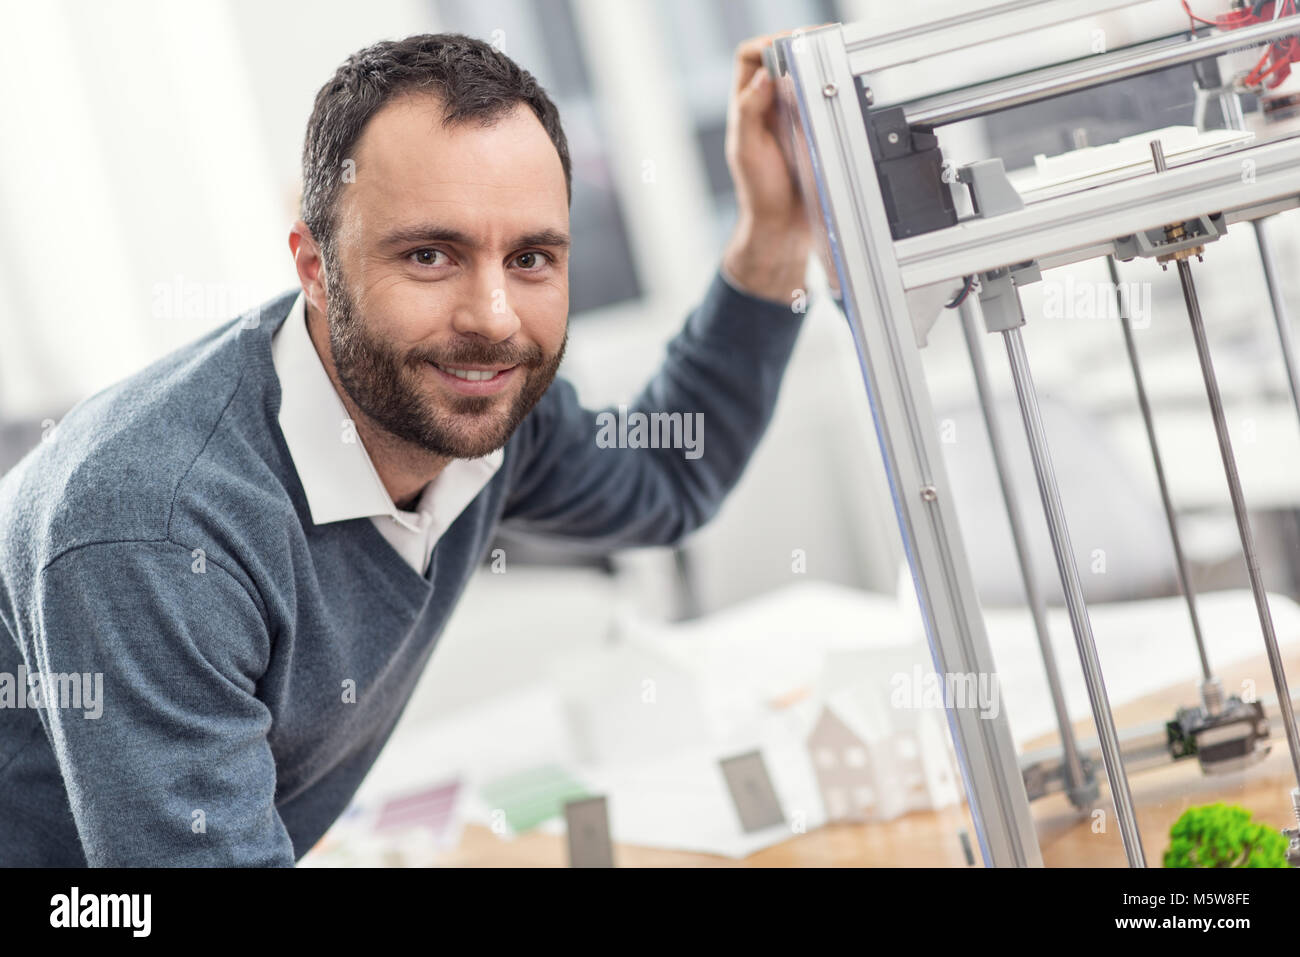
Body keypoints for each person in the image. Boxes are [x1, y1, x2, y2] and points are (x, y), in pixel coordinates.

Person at [0, 30, 811, 866]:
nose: (494, 318)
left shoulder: (482, 403)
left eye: (531, 257)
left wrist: (775, 235)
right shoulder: (158, 530)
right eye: (430, 255)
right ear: (315, 267)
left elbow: (663, 477)